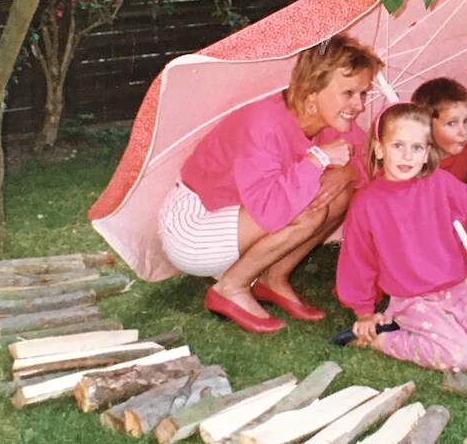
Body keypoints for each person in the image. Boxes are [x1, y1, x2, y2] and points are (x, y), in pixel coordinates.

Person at [158, 34, 382, 333]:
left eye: (363, 94)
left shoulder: (333, 124)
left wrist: (348, 174)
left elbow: (370, 163)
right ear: (312, 92)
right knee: (308, 211)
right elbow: (269, 212)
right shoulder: (263, 123)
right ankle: (230, 288)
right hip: (193, 226)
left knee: (338, 194)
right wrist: (316, 160)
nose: (358, 105)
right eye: (349, 93)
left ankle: (273, 277)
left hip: (241, 220)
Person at [336, 103, 467, 371]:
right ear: (380, 149)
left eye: (416, 147)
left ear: (427, 152)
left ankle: (444, 329)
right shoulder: (368, 203)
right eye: (398, 146)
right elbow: (358, 260)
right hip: (413, 300)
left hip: (458, 292)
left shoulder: (444, 185)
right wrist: (363, 312)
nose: (407, 155)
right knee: (458, 357)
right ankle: (385, 339)